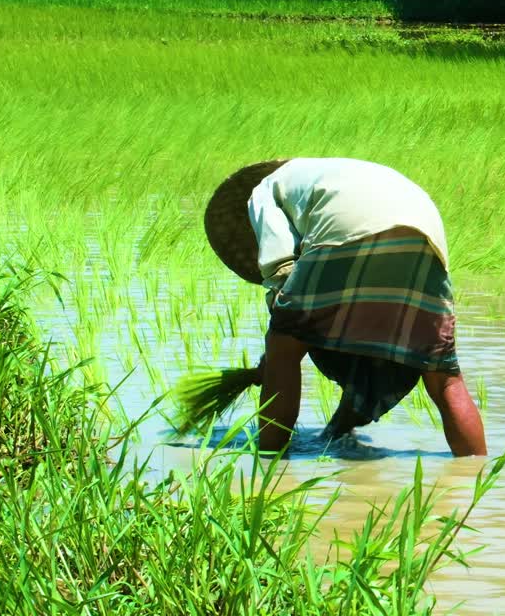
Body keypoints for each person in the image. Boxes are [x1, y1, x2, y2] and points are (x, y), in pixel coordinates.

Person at [204, 157, 487, 456]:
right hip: (424, 245)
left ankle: (271, 464)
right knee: (445, 378)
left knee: (283, 350)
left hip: (344, 234)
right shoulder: (341, 174)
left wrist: (278, 341)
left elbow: (281, 265)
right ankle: (476, 476)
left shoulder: (264, 189)